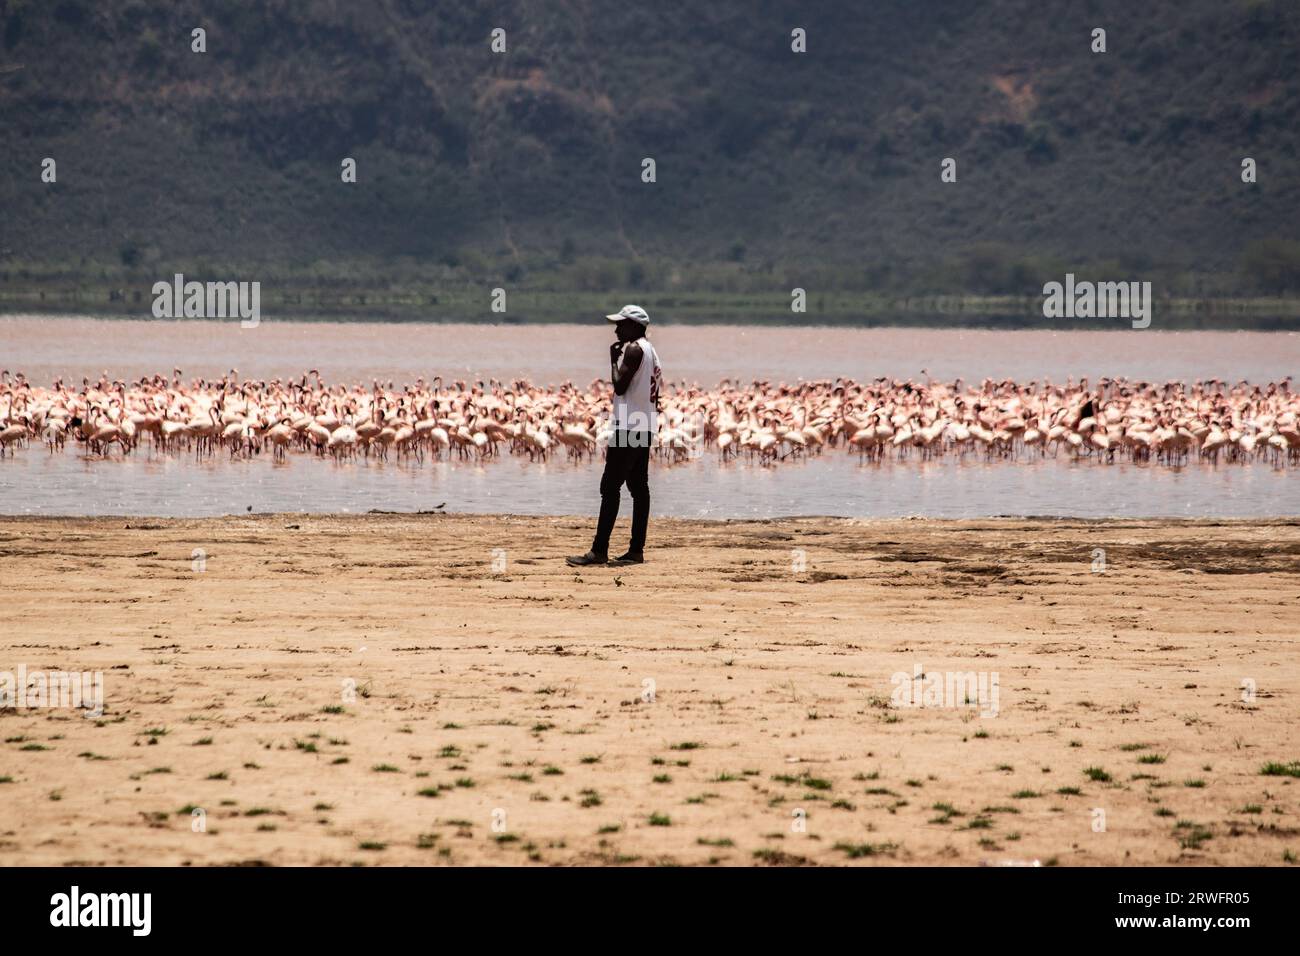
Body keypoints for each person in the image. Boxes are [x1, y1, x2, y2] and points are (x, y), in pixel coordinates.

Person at [567, 305, 662, 567]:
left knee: (610, 487)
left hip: (629, 426)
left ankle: (599, 551)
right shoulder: (652, 352)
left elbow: (620, 387)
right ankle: (636, 550)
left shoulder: (633, 350)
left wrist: (612, 360)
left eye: (621, 324)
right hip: (644, 423)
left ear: (635, 326)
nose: (617, 329)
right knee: (639, 488)